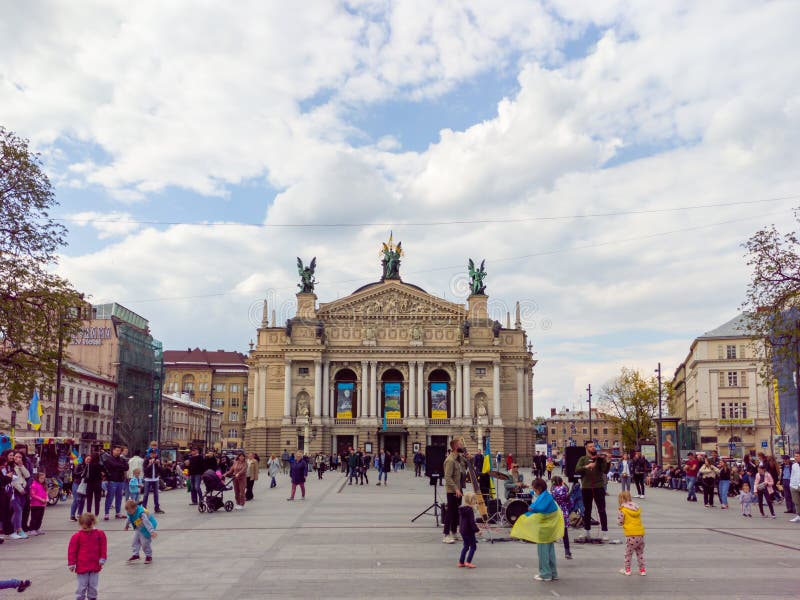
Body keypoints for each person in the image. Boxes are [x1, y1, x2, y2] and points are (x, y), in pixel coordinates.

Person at [575, 441, 610, 540]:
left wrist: (607, 461)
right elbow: (577, 469)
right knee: (587, 510)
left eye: (594, 446)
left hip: (598, 487)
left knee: (602, 510)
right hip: (586, 487)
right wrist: (586, 466)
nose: (593, 448)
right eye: (590, 446)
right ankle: (587, 531)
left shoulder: (600, 459)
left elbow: (605, 471)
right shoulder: (583, 459)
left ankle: (604, 532)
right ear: (586, 448)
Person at [68, 512, 107, 600]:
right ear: (81, 525)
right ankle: (79, 597)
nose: (87, 530)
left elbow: (103, 547)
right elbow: (72, 551)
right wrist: (72, 563)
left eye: (89, 527)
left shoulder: (100, 534)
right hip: (82, 565)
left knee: (93, 585)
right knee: (82, 586)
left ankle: (92, 597)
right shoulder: (77, 536)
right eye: (84, 528)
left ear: (93, 523)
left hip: (95, 565)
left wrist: (102, 558)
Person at [442, 439, 468, 544]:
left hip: (459, 489)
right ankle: (446, 535)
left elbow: (469, 464)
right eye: (461, 445)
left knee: (456, 513)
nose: (463, 446)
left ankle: (454, 532)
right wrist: (456, 489)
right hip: (452, 490)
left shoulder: (459, 458)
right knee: (450, 512)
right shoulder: (450, 460)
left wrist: (469, 457)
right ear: (456, 446)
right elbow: (447, 477)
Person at [617, 490, 646, 576]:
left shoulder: (623, 510)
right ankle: (642, 570)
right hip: (640, 534)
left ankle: (627, 570)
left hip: (631, 535)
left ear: (621, 499)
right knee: (640, 553)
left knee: (628, 554)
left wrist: (620, 522)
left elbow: (620, 522)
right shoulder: (636, 508)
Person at [124, 499, 157, 564]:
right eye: (128, 511)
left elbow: (147, 522)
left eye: (130, 511)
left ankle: (148, 556)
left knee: (145, 543)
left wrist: (151, 531)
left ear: (135, 508)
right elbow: (129, 519)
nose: (129, 512)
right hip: (139, 527)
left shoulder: (141, 513)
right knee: (135, 542)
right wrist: (126, 526)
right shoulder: (130, 512)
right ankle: (136, 555)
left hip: (146, 527)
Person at [101, 446, 129, 521]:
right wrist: (119, 466)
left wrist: (117, 466)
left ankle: (118, 513)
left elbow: (126, 467)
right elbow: (111, 465)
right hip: (112, 480)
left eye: (119, 451)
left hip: (120, 480)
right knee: (109, 497)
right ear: (113, 450)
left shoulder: (122, 459)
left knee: (119, 497)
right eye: (117, 450)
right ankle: (106, 514)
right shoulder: (108, 459)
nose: (118, 452)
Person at [550, 476, 573, 559]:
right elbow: (571, 503)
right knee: (565, 533)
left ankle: (549, 553)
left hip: (555, 513)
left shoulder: (552, 491)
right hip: (564, 513)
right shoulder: (565, 490)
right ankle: (567, 552)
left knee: (551, 532)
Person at [457, 492, 480, 568]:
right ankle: (468, 562)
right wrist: (477, 530)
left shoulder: (462, 508)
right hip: (469, 531)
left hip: (463, 530)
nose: (475, 501)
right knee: (473, 546)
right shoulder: (470, 510)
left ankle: (461, 562)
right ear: (471, 500)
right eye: (474, 500)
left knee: (466, 546)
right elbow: (472, 522)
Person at [27, 471, 48, 536]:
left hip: (42, 504)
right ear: (37, 478)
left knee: (40, 517)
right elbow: (32, 494)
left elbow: (46, 493)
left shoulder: (44, 485)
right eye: (41, 478)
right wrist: (40, 499)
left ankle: (37, 528)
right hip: (35, 504)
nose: (42, 480)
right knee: (34, 517)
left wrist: (46, 499)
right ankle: (32, 529)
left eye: (43, 478)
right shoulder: (34, 485)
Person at [70, 457, 87, 521]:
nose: (88, 461)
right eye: (87, 459)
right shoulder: (79, 465)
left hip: (85, 484)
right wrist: (84, 471)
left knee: (82, 500)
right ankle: (72, 515)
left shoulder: (90, 467)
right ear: (84, 459)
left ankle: (80, 514)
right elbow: (75, 474)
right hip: (77, 483)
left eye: (90, 460)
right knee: (77, 499)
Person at [789, 451, 800, 522]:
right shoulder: (794, 465)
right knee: (796, 502)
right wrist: (791, 484)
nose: (796, 457)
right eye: (795, 456)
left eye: (797, 456)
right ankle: (798, 516)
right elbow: (792, 475)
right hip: (794, 486)